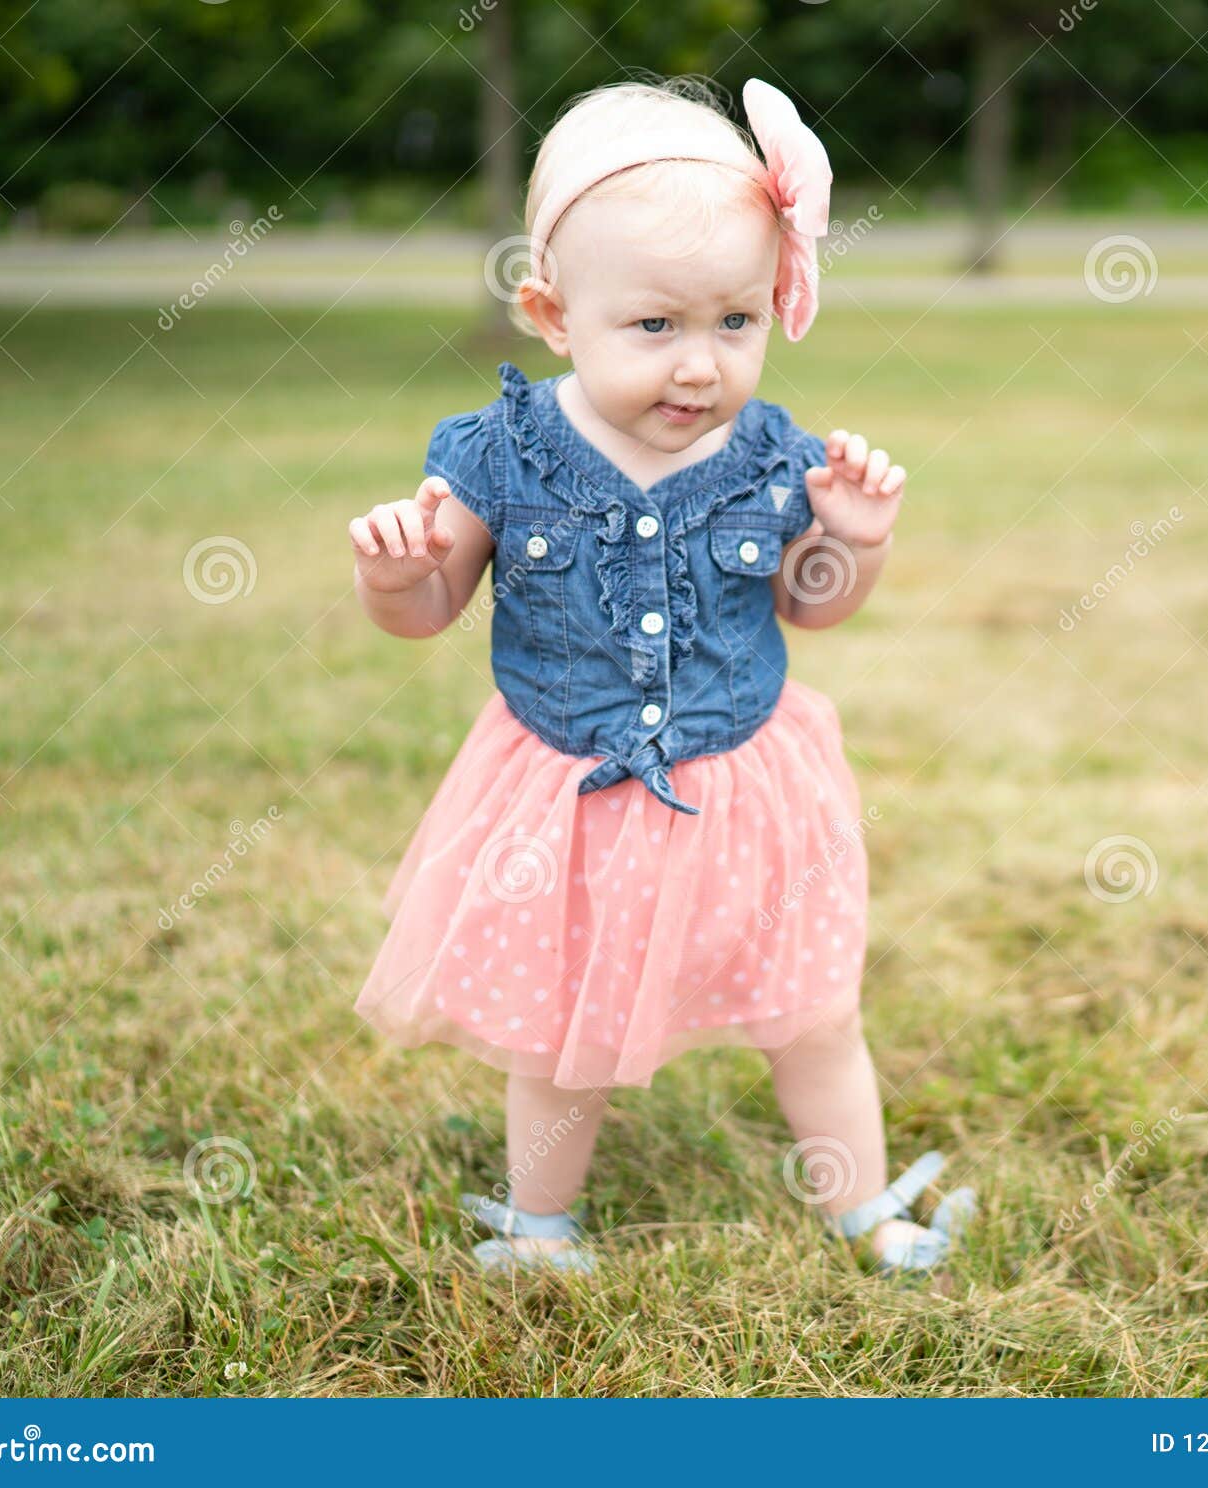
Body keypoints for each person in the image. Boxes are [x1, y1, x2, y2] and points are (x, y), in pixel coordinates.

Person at [348, 76, 974, 1279]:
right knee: (562, 1030)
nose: (699, 366)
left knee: (813, 1011)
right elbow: (427, 614)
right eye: (654, 328)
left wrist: (853, 536)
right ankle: (542, 1227)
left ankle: (860, 1207)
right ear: (550, 311)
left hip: (744, 784)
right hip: (570, 798)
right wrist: (397, 575)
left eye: (735, 322)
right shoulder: (495, 455)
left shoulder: (772, 455)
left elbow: (810, 605)